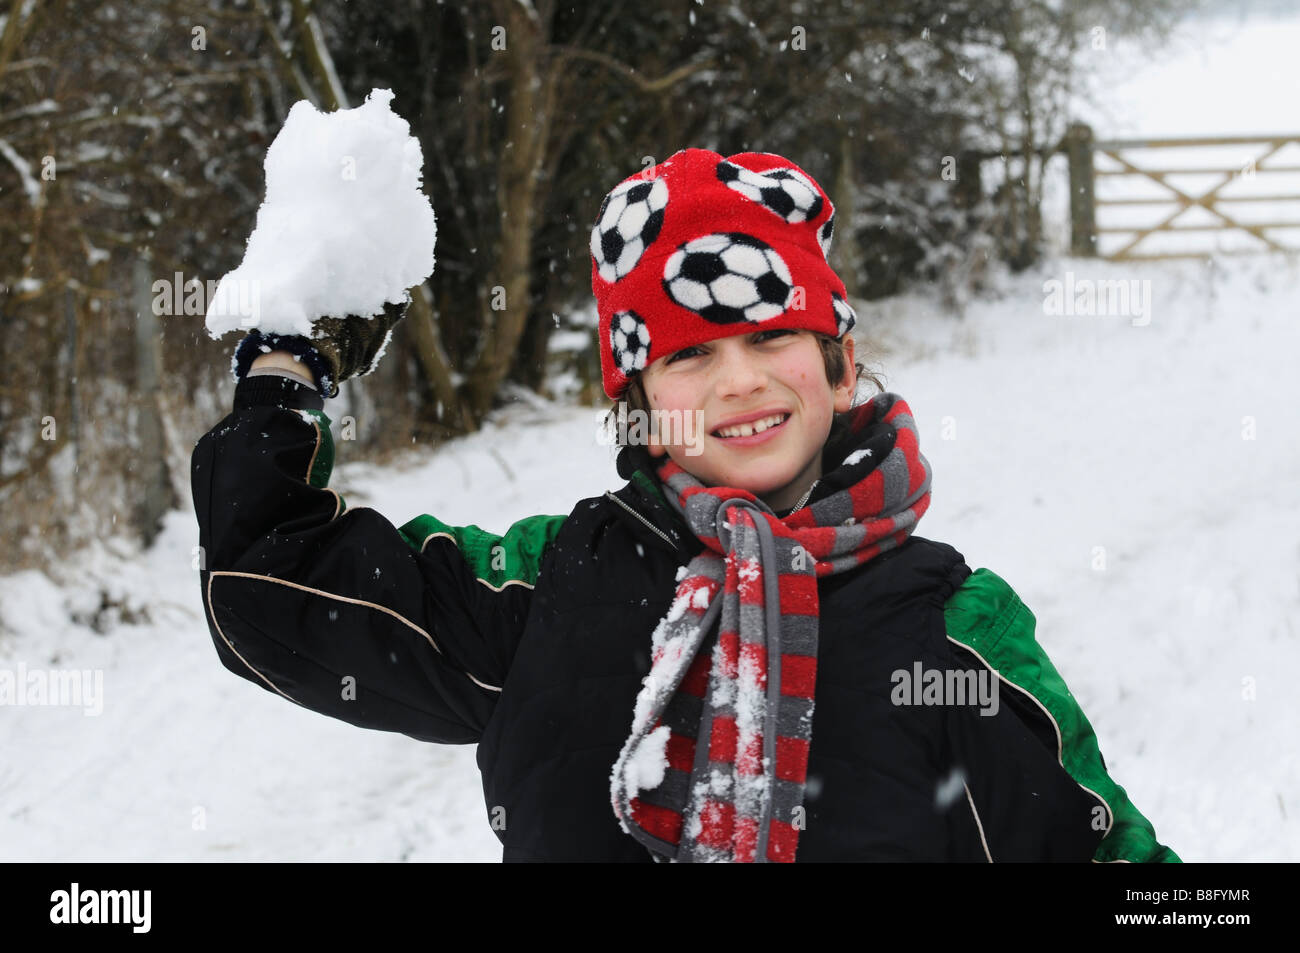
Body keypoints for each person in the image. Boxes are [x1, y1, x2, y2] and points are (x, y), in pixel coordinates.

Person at [192, 147, 1179, 863]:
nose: (739, 382)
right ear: (641, 406)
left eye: (772, 337)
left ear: (839, 368)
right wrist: (288, 366)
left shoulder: (952, 628)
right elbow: (270, 592)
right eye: (690, 353)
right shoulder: (549, 589)